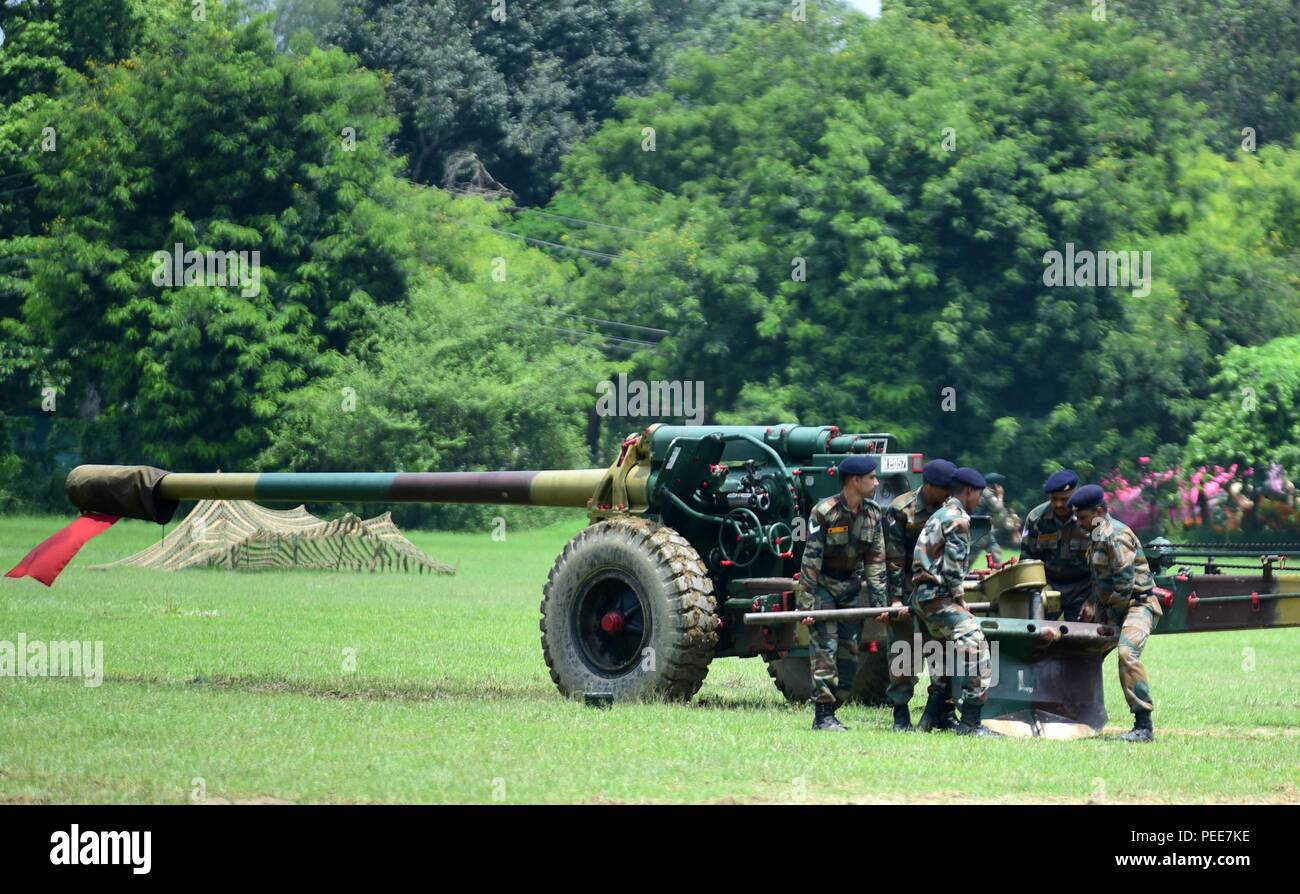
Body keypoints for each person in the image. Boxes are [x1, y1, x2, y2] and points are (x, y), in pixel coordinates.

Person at [797, 455, 888, 731]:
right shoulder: (824, 511)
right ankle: (822, 716)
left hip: (849, 588)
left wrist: (879, 602)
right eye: (871, 477)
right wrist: (806, 604)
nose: (877, 482)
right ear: (855, 481)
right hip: (824, 587)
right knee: (826, 649)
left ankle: (833, 709)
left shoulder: (873, 513)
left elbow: (875, 561)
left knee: (849, 658)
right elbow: (811, 559)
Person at [910, 466, 1000, 736]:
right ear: (970, 492)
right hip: (938, 598)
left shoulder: (941, 513)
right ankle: (971, 723)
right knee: (975, 644)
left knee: (944, 651)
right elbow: (952, 570)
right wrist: (961, 602)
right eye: (979, 495)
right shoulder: (959, 519)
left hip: (922, 597)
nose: (979, 500)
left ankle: (935, 715)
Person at [1068, 484, 1161, 743]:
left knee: (1126, 653)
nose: (1079, 522)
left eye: (1083, 516)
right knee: (1079, 651)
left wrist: (1110, 617)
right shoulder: (1096, 535)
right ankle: (1073, 712)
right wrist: (1091, 604)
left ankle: (1143, 725)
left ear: (1098, 511)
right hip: (1112, 606)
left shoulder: (1115, 535)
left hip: (1138, 606)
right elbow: (1101, 580)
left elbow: (1124, 582)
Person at [883, 459, 956, 732]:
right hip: (905, 588)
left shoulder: (950, 510)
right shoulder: (901, 509)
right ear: (930, 486)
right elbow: (892, 559)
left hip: (937, 592)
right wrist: (895, 599)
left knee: (942, 650)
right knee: (904, 652)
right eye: (945, 488)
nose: (949, 493)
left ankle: (941, 711)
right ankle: (900, 716)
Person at [1020, 470, 1092, 621]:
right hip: (1048, 585)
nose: (1058, 504)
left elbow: (1103, 566)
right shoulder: (1036, 519)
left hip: (1083, 587)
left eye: (1064, 499)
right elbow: (1027, 561)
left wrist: (1093, 600)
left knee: (1083, 635)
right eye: (1054, 499)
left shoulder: (1089, 517)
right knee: (1040, 634)